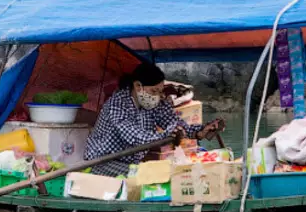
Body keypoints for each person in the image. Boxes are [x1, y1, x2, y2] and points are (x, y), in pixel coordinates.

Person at [84, 62, 224, 176]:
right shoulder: (117, 105)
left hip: (130, 162)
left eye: (160, 91)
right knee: (144, 176)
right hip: (103, 162)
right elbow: (135, 137)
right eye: (153, 91)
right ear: (138, 86)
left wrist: (200, 131)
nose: (158, 96)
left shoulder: (154, 103)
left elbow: (173, 122)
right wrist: (167, 134)